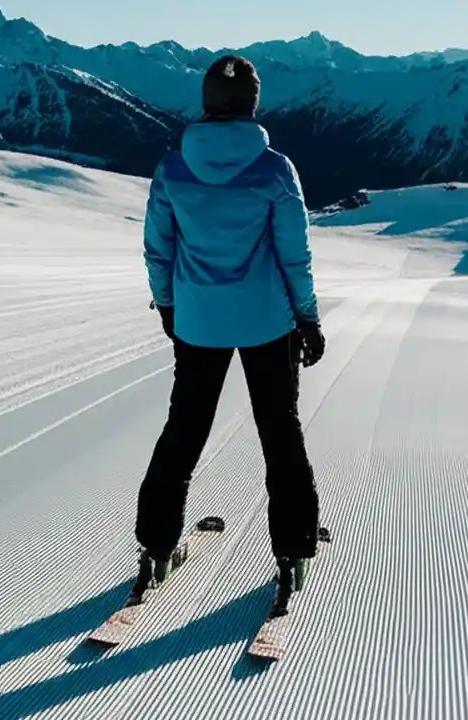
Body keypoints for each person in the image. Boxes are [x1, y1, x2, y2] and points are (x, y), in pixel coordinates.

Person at [134, 54, 325, 612]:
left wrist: (169, 307)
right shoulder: (274, 170)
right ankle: (293, 550)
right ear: (252, 105)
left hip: (197, 322)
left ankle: (157, 546)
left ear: (207, 101)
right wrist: (308, 318)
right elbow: (294, 255)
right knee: (280, 431)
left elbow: (158, 250)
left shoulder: (173, 168)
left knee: (184, 431)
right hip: (267, 323)